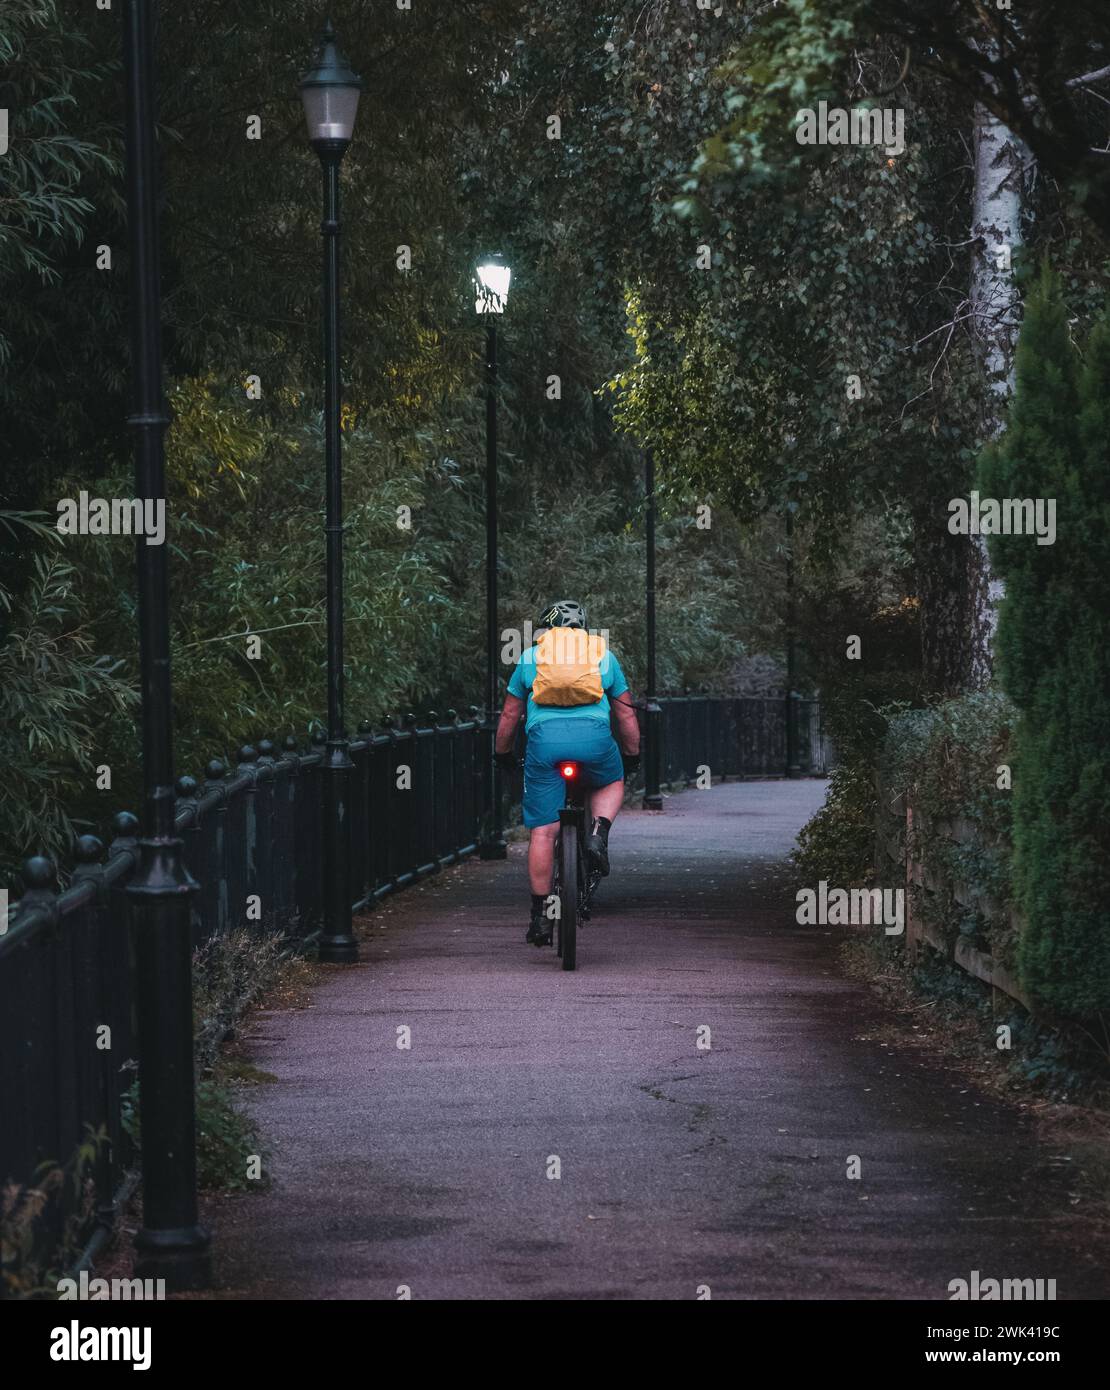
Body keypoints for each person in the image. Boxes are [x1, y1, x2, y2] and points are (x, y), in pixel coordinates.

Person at [494, 600, 641, 946]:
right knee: (611, 779)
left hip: (545, 746)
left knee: (543, 833)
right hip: (594, 741)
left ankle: (541, 917)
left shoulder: (530, 658)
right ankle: (597, 834)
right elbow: (626, 717)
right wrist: (632, 755)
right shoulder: (603, 656)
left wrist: (502, 754)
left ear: (548, 629)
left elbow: (509, 718)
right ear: (583, 628)